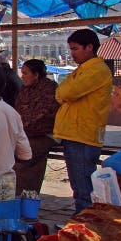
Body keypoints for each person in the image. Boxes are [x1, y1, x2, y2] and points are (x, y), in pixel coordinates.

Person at [54, 29, 113, 213]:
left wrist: (64, 92)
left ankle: (84, 231)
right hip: (75, 135)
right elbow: (60, 92)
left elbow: (66, 92)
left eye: (75, 49)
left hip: (82, 137)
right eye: (71, 49)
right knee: (79, 188)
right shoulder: (82, 70)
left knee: (83, 190)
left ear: (90, 47)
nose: (72, 54)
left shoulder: (96, 70)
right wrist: (64, 92)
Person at [13, 59, 60, 195]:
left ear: (36, 75)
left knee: (24, 157)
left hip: (46, 134)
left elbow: (44, 115)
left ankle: (25, 197)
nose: (22, 76)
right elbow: (17, 110)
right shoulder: (25, 89)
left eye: (25, 73)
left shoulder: (50, 89)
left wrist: (24, 127)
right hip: (25, 133)